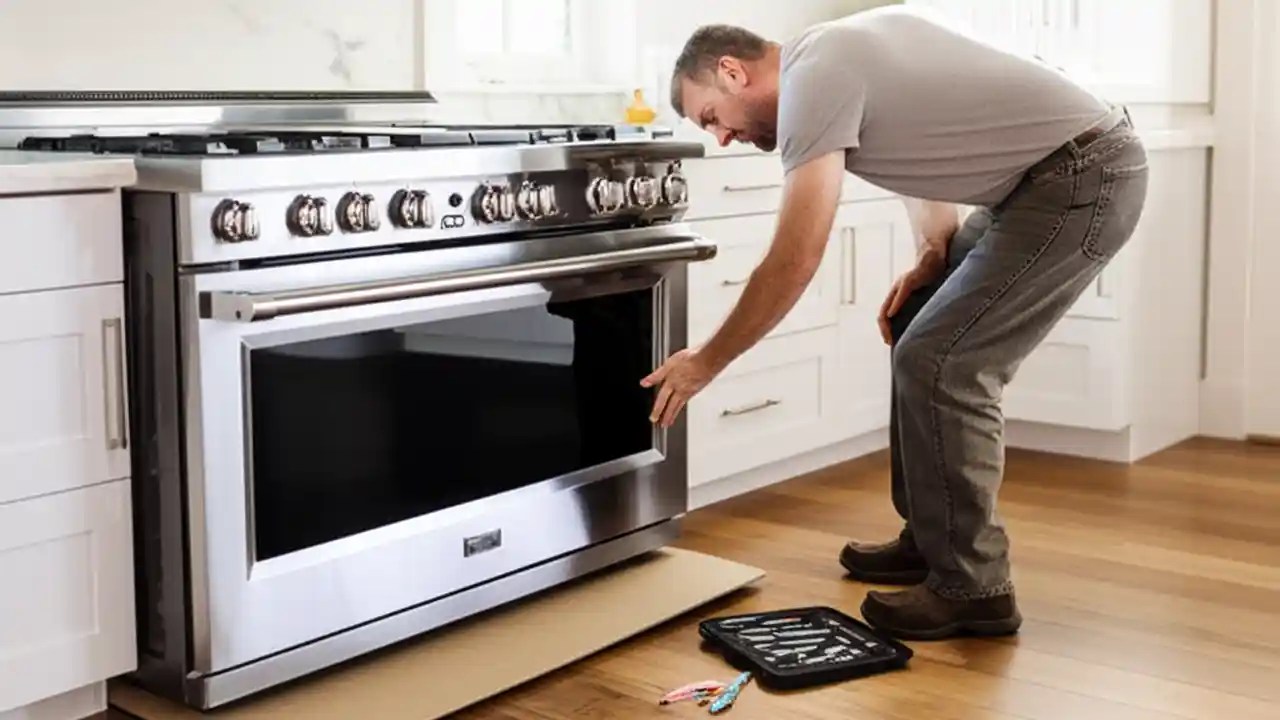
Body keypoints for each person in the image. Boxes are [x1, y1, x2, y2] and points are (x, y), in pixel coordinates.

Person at [641, 5, 1148, 640]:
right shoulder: (830, 57)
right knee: (917, 320)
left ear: (732, 71)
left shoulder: (814, 78)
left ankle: (975, 587)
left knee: (943, 362)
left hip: (1080, 177)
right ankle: (933, 541)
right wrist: (932, 256)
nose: (720, 137)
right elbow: (926, 144)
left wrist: (704, 362)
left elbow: (796, 255)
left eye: (711, 117)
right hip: (1044, 180)